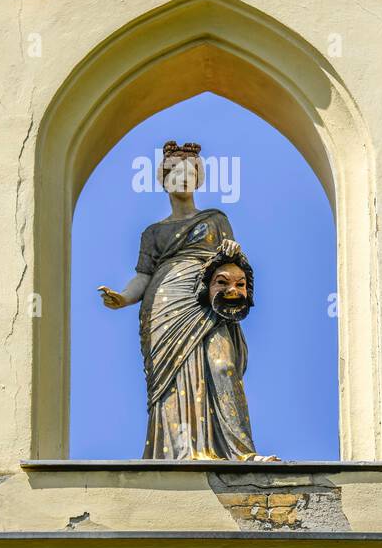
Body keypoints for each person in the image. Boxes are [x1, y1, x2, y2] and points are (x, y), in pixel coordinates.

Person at [99, 140, 275, 461]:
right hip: (164, 309)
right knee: (173, 379)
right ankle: (179, 452)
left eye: (188, 171)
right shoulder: (152, 233)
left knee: (222, 366)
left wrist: (232, 258)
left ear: (198, 178)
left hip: (205, 302)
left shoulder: (215, 220)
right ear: (163, 180)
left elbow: (234, 264)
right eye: (174, 172)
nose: (181, 177)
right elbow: (143, 276)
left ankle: (241, 452)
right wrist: (122, 297)